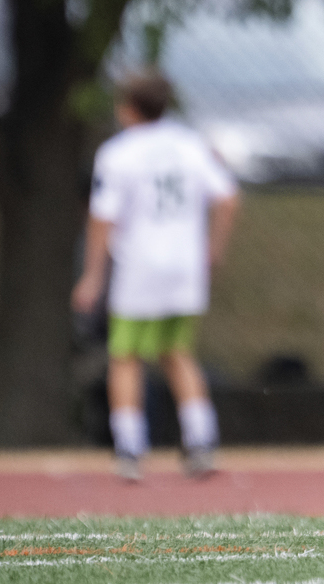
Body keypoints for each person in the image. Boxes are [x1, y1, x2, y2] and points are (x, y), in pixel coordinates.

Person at [70, 69, 240, 482]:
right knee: (177, 352)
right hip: (184, 266)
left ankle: (130, 448)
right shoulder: (190, 144)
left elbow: (102, 217)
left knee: (125, 355)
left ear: (128, 107)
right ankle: (201, 440)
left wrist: (93, 274)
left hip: (139, 268)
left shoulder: (118, 153)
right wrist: (213, 249)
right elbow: (228, 198)